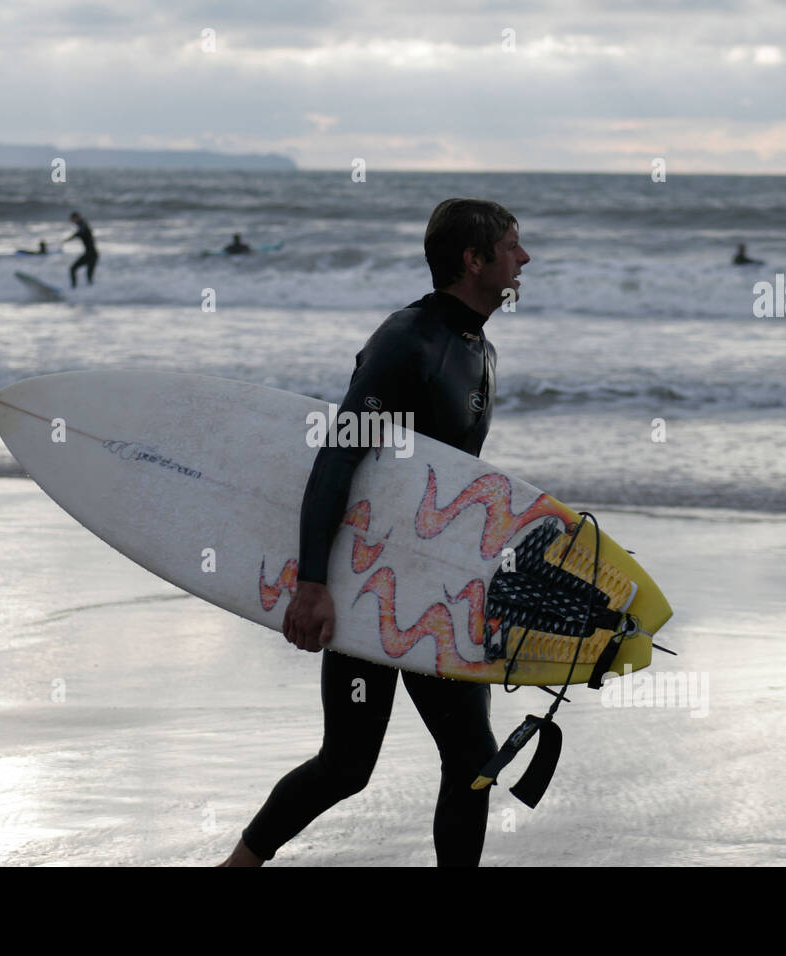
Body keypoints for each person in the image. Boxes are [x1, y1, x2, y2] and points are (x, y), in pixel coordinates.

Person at [220, 198, 530, 868]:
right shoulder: (406, 341)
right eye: (511, 246)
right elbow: (337, 459)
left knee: (471, 758)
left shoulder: (484, 351)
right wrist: (312, 583)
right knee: (348, 765)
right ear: (473, 260)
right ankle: (237, 867)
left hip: (433, 586)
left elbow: (448, 489)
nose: (524, 258)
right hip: (368, 582)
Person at [64, 213, 98, 287]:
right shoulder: (83, 224)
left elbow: (81, 232)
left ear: (76, 218)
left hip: (91, 253)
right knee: (89, 277)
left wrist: (69, 239)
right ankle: (86, 292)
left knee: (73, 269)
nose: (72, 221)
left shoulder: (83, 225)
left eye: (72, 219)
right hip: (93, 253)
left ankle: (74, 288)